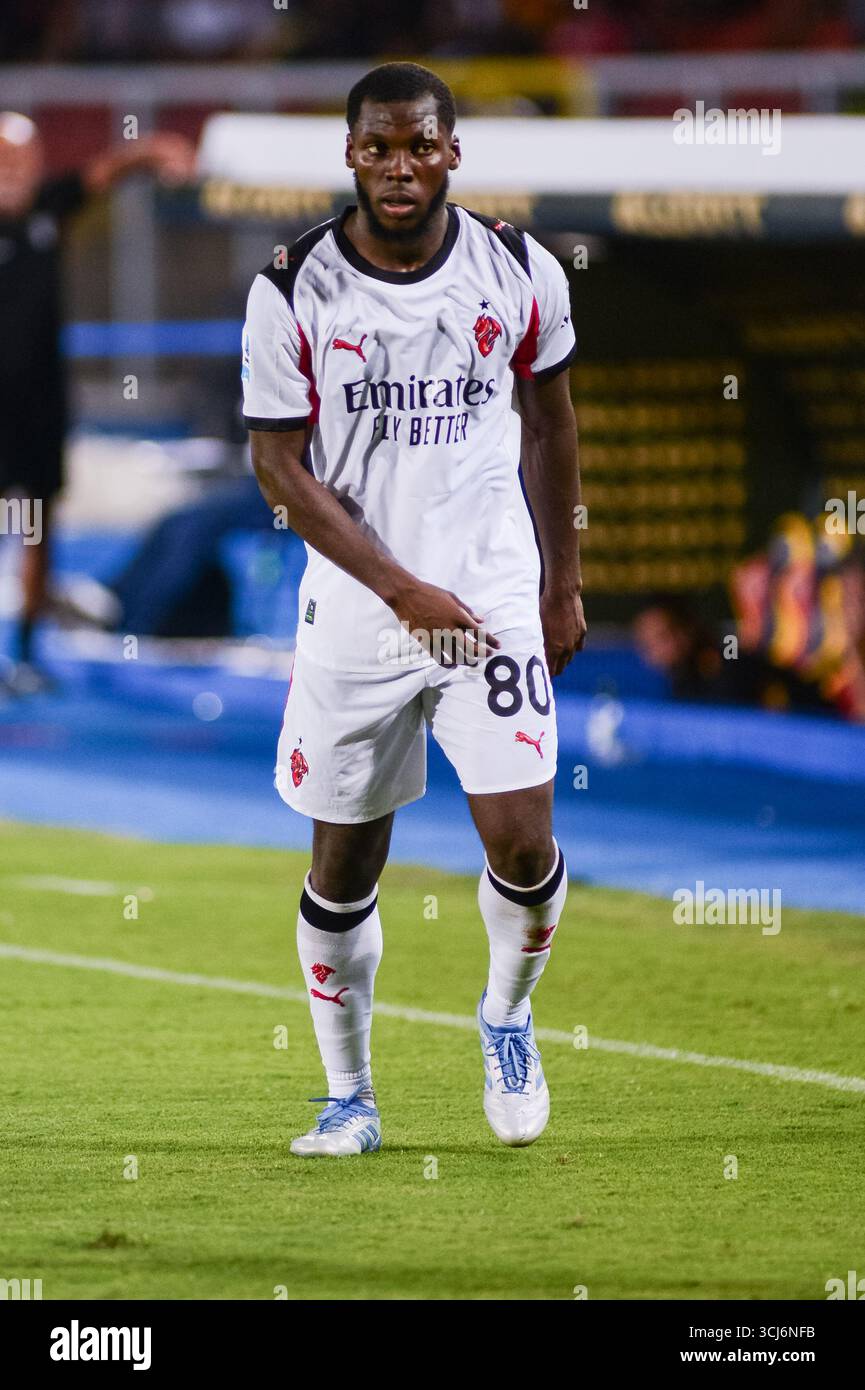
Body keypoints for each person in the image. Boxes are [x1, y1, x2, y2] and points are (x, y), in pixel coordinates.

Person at [242, 62, 585, 1157]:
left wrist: (560, 579)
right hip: (357, 607)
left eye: (419, 146)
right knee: (343, 866)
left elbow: (552, 422)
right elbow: (278, 471)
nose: (400, 167)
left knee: (524, 843)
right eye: (379, 148)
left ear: (452, 152)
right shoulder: (291, 286)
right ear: (350, 154)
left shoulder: (517, 268)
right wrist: (400, 589)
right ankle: (350, 1096)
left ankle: (507, 1018)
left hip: (484, 595)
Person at [0, 110, 195, 693]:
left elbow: (106, 171)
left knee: (37, 522)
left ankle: (26, 655)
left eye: (21, 159)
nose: (13, 172)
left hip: (37, 403)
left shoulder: (48, 207)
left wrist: (156, 150)